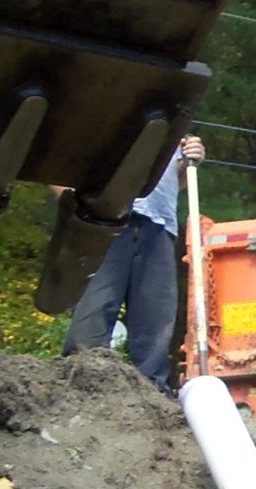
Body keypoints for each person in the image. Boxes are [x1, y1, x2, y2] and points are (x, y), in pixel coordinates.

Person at [62, 134, 200, 390]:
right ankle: (81, 386)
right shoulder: (109, 106)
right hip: (103, 219)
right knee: (95, 309)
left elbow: (174, 184)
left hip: (159, 225)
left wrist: (185, 166)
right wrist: (75, 207)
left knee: (155, 320)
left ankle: (152, 397)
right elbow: (60, 167)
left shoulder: (172, 122)